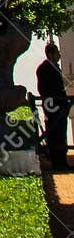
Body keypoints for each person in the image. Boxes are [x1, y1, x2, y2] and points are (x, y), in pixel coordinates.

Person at [36, 42, 71, 172]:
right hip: (53, 107)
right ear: (51, 54)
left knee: (61, 133)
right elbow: (44, 89)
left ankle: (62, 161)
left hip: (60, 106)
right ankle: (57, 162)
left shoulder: (54, 67)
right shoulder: (44, 69)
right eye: (57, 52)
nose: (59, 55)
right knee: (55, 133)